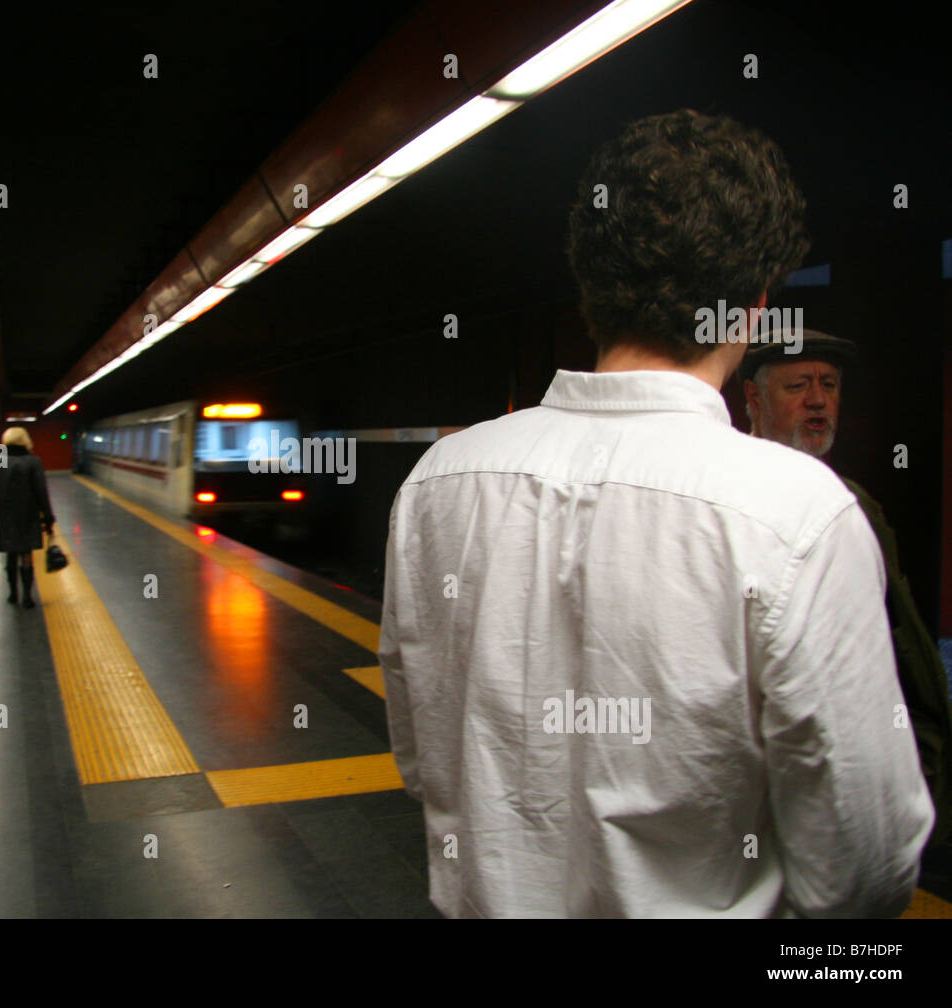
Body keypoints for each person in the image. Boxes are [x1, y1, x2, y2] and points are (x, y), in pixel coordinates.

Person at [379, 109, 932, 918]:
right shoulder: (798, 516)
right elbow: (862, 863)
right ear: (755, 305)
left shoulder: (438, 482)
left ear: (591, 283)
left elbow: (423, 757)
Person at [743, 332, 952, 849]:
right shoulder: (734, 501)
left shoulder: (855, 504)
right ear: (754, 398)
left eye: (829, 385)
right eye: (798, 386)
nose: (817, 400)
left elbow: (899, 641)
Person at [0, 427, 55, 608]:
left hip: (7, 516)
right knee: (26, 555)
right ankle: (27, 597)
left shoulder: (0, 460)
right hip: (29, 515)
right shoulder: (33, 462)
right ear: (25, 440)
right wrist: (48, 517)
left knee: (11, 555)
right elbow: (41, 492)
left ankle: (13, 594)